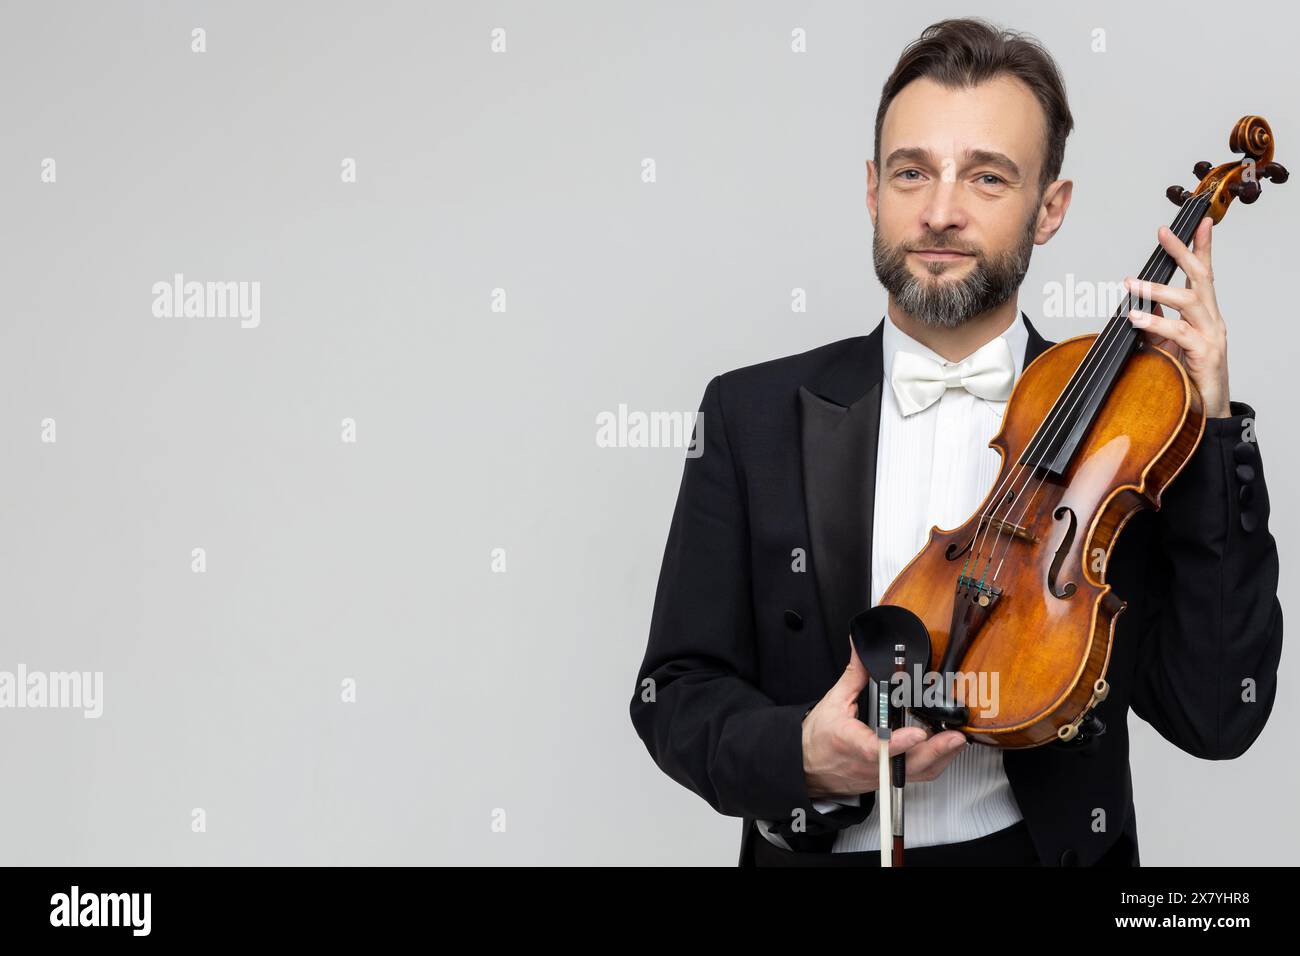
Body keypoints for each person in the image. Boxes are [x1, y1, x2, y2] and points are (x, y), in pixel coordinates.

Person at [628, 17, 1282, 867]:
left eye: (987, 178)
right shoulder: (749, 414)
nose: (940, 211)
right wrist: (800, 755)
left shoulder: (1126, 431)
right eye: (912, 173)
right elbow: (672, 694)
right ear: (871, 190)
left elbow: (1216, 716)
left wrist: (1215, 417)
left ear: (1051, 208)